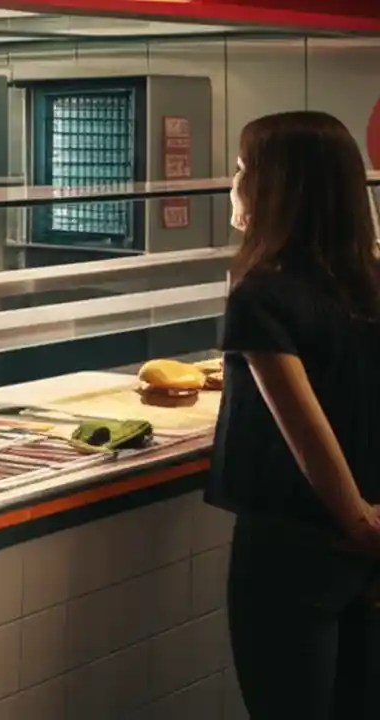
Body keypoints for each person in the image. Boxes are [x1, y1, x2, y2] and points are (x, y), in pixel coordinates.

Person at [210, 110, 380, 719]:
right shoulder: (370, 282)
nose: (233, 182)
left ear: (276, 186)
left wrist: (357, 522)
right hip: (366, 542)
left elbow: (303, 432)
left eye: (241, 168)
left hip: (295, 544)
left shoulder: (260, 294)